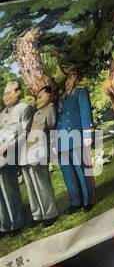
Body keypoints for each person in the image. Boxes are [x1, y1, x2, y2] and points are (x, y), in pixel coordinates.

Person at [55, 69, 95, 211]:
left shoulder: (80, 91)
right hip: (62, 140)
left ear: (74, 77)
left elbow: (85, 112)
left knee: (82, 170)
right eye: (64, 81)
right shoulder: (61, 98)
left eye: (67, 79)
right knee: (68, 173)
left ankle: (88, 200)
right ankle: (75, 202)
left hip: (76, 137)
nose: (66, 83)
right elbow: (58, 121)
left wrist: (87, 134)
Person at [21, 85, 58, 224]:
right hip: (29, 149)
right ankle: (38, 214)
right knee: (31, 184)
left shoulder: (50, 108)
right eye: (37, 97)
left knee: (41, 182)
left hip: (40, 148)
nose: (38, 100)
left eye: (41, 96)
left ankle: (50, 213)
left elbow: (51, 124)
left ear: (49, 96)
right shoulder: (36, 113)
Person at [0, 81, 32, 234]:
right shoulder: (1, 114)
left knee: (10, 191)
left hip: (9, 157)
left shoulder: (23, 108)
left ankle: (16, 223)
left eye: (8, 93)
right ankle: (4, 225)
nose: (5, 97)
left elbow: (24, 133)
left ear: (18, 92)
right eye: (4, 93)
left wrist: (8, 146)